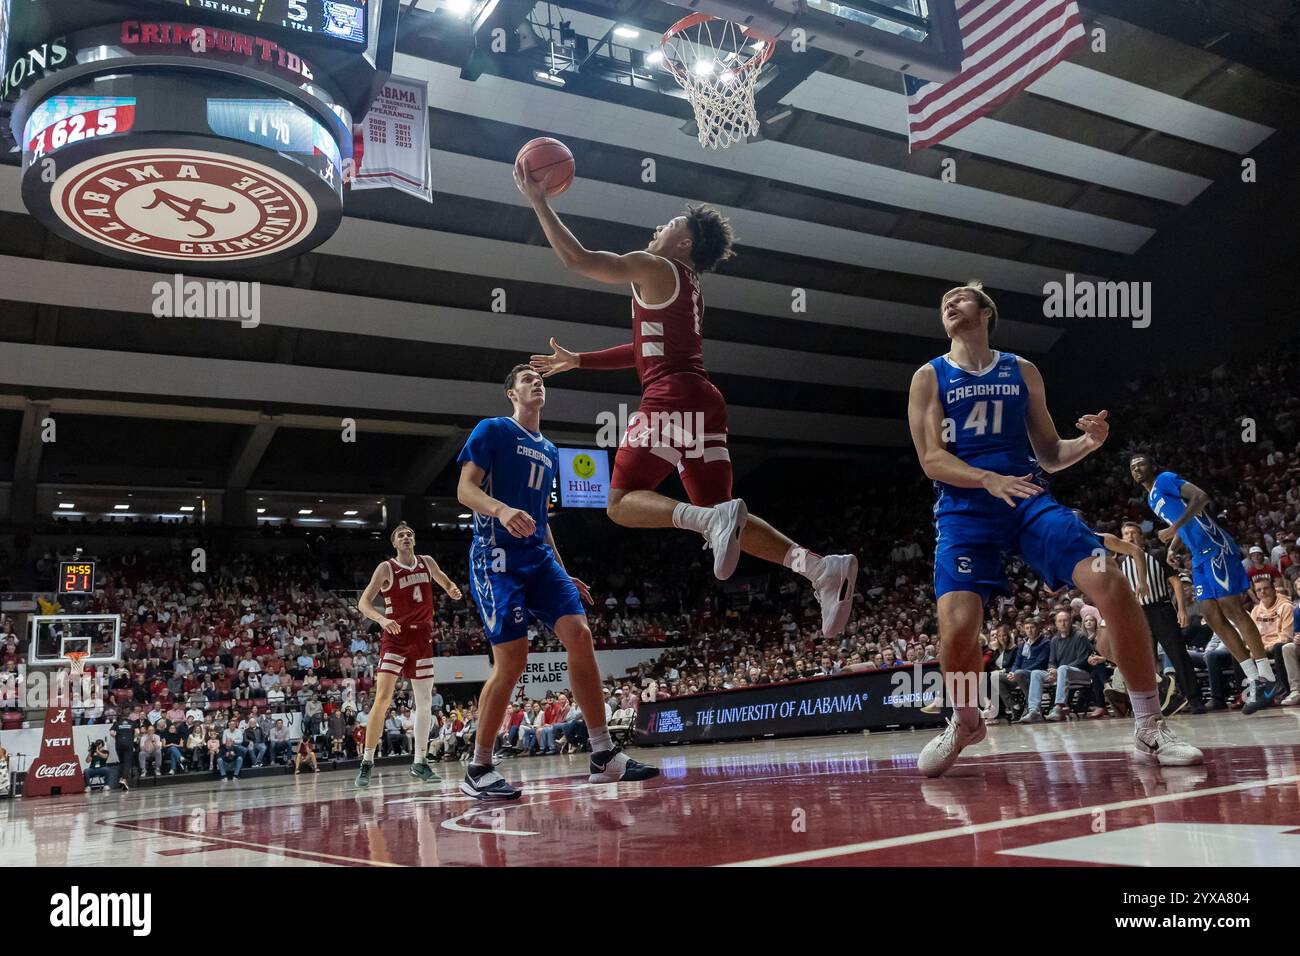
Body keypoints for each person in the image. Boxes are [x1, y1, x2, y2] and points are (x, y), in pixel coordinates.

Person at [516, 167, 858, 640]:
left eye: (670, 225)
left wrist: (539, 202)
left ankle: (710, 521)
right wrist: (581, 360)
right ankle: (820, 569)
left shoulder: (655, 266)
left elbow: (579, 260)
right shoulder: (689, 287)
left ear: (685, 244)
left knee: (617, 503)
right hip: (703, 401)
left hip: (672, 396)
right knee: (723, 512)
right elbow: (643, 348)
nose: (659, 228)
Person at [907, 282, 1200, 776]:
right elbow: (932, 459)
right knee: (956, 632)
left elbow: (1048, 453)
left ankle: (1150, 725)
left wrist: (1087, 443)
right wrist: (985, 478)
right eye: (943, 303)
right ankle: (963, 721)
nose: (950, 304)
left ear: (985, 311)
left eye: (960, 297)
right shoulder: (928, 377)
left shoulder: (1022, 371)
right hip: (964, 512)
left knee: (1109, 579)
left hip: (1027, 500)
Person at [456, 365, 659, 798]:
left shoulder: (548, 449)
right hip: (497, 559)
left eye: (539, 378)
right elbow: (465, 490)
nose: (536, 381)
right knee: (512, 659)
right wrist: (501, 510)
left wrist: (562, 570)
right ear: (511, 392)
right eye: (527, 378)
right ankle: (479, 766)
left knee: (580, 634)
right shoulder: (492, 429)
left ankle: (603, 754)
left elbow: (542, 522)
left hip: (540, 558)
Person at [1130, 451, 1278, 713]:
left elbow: (1200, 498)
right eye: (1133, 467)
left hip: (1215, 546)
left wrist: (1175, 530)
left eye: (1141, 463)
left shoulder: (1165, 479)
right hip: (1198, 556)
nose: (1137, 468)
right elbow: (1183, 524)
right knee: (1211, 616)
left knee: (1231, 608)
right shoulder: (1151, 498)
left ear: (1152, 465)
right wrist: (1175, 546)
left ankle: (1267, 678)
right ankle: (1253, 678)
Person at [353, 521, 462, 788]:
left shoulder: (427, 562)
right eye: (400, 535)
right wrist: (381, 619)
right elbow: (363, 602)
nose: (406, 537)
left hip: (422, 637)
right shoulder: (386, 567)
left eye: (410, 534)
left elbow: (445, 581)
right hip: (396, 636)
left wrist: (452, 589)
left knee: (425, 701)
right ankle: (367, 761)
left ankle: (420, 762)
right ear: (394, 543)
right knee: (383, 698)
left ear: (414, 540)